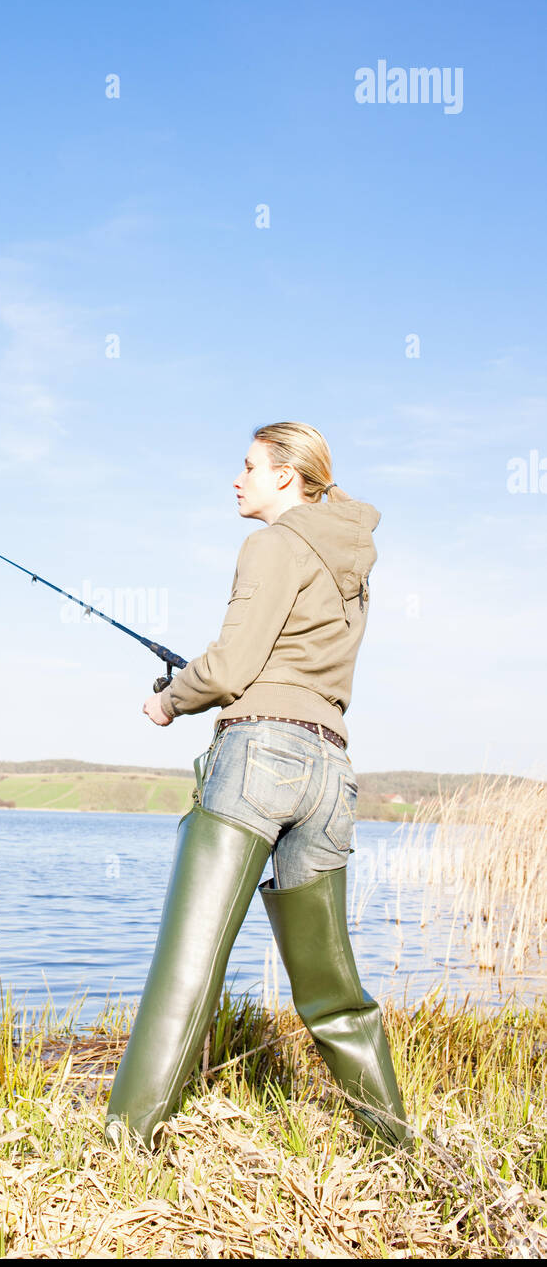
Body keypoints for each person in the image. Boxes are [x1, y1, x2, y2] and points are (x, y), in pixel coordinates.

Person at [104, 421, 413, 1154]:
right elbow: (298, 663)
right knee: (334, 991)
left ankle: (125, 1141)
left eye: (247, 466)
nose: (236, 479)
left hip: (259, 758)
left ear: (286, 476)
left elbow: (235, 664)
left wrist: (170, 700)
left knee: (188, 966)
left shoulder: (271, 544)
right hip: (331, 771)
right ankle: (395, 1143)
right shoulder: (354, 566)